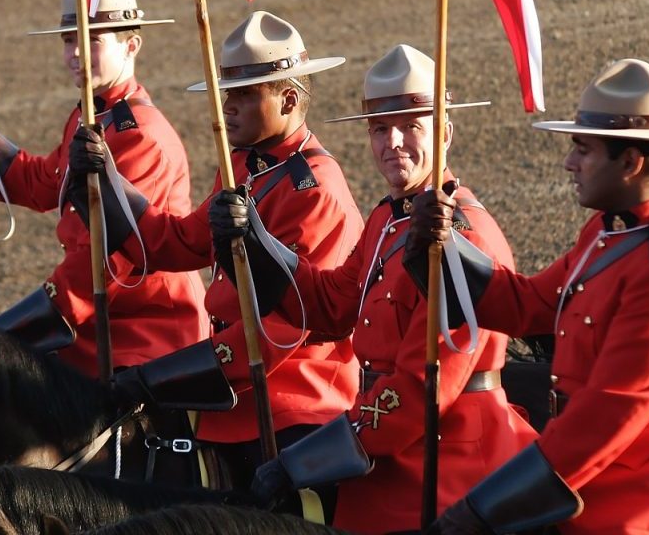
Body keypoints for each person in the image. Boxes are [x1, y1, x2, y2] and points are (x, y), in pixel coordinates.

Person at [210, 44, 538, 534]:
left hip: (449, 465)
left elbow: (421, 391)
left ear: (445, 132)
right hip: (385, 458)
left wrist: (300, 462)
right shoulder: (388, 217)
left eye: (411, 126)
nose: (394, 143)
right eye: (380, 129)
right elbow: (329, 304)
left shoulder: (461, 235)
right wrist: (256, 243)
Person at [419, 59, 649, 534]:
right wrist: (443, 244)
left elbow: (601, 419)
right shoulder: (608, 231)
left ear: (631, 162)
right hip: (592, 487)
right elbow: (529, 305)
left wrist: (480, 511)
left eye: (583, 149)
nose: (569, 163)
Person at [67, 10, 366, 499]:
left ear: (289, 98)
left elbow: (280, 335)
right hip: (232, 393)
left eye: (244, 95)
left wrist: (154, 378)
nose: (227, 106)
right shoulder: (244, 165)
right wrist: (104, 181)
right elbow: (177, 241)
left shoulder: (313, 191)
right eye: (226, 93)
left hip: (292, 400)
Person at [0, 0, 209, 378]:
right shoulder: (90, 117)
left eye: (92, 39)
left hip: (144, 328)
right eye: (68, 39)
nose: (76, 51)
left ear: (131, 45)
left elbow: (110, 258)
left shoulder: (139, 135)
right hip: (95, 319)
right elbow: (42, 182)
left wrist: (22, 326)